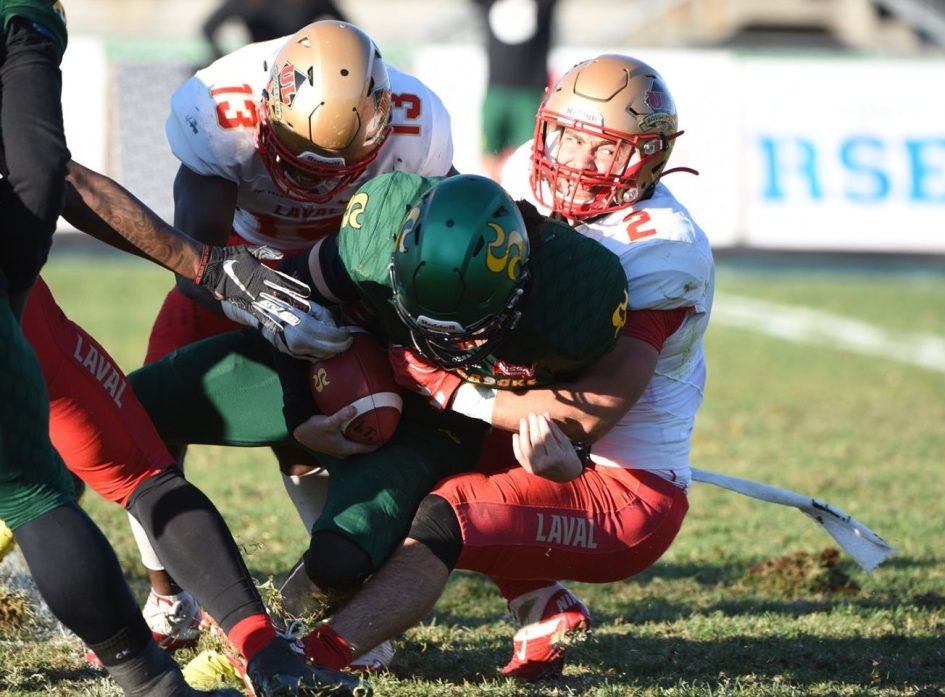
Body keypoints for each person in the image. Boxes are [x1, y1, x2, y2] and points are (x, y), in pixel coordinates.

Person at [286, 53, 714, 681]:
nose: (575, 162)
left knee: (445, 513)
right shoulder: (524, 176)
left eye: (606, 150)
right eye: (566, 136)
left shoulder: (661, 250)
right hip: (520, 430)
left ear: (650, 156)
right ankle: (541, 606)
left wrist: (453, 389)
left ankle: (317, 657)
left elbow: (581, 418)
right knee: (406, 455)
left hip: (622, 486)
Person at [0, 5, 366, 696]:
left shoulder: (413, 122)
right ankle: (156, 678)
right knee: (39, 494)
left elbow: (60, 177)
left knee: (136, 462)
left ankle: (260, 649)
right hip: (11, 291)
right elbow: (45, 168)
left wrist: (207, 266)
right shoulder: (21, 24)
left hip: (20, 298)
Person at [125, 172, 628, 671]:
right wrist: (300, 412)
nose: (432, 341)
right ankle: (169, 601)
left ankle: (272, 632)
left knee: (338, 563)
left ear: (519, 289)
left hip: (435, 426)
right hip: (341, 357)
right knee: (130, 406)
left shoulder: (576, 299)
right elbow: (292, 299)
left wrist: (569, 458)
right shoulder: (379, 229)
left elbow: (583, 416)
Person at [133, 18, 454, 640]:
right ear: (267, 107)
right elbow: (193, 257)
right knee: (144, 429)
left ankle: (347, 595)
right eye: (294, 157)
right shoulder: (219, 106)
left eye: (332, 164)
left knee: (335, 428)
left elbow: (423, 244)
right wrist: (258, 303)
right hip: (235, 265)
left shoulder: (420, 131)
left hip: (346, 273)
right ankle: (168, 600)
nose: (309, 181)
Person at [473, 0, 558, 180]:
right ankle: (498, 191)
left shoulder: (541, 5)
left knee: (530, 152)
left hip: (529, 94)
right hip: (496, 90)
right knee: (489, 149)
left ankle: (522, 201)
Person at [202, 0, 348, 61]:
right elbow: (208, 28)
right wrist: (225, 59)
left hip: (300, 73)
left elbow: (346, 29)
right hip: (263, 71)